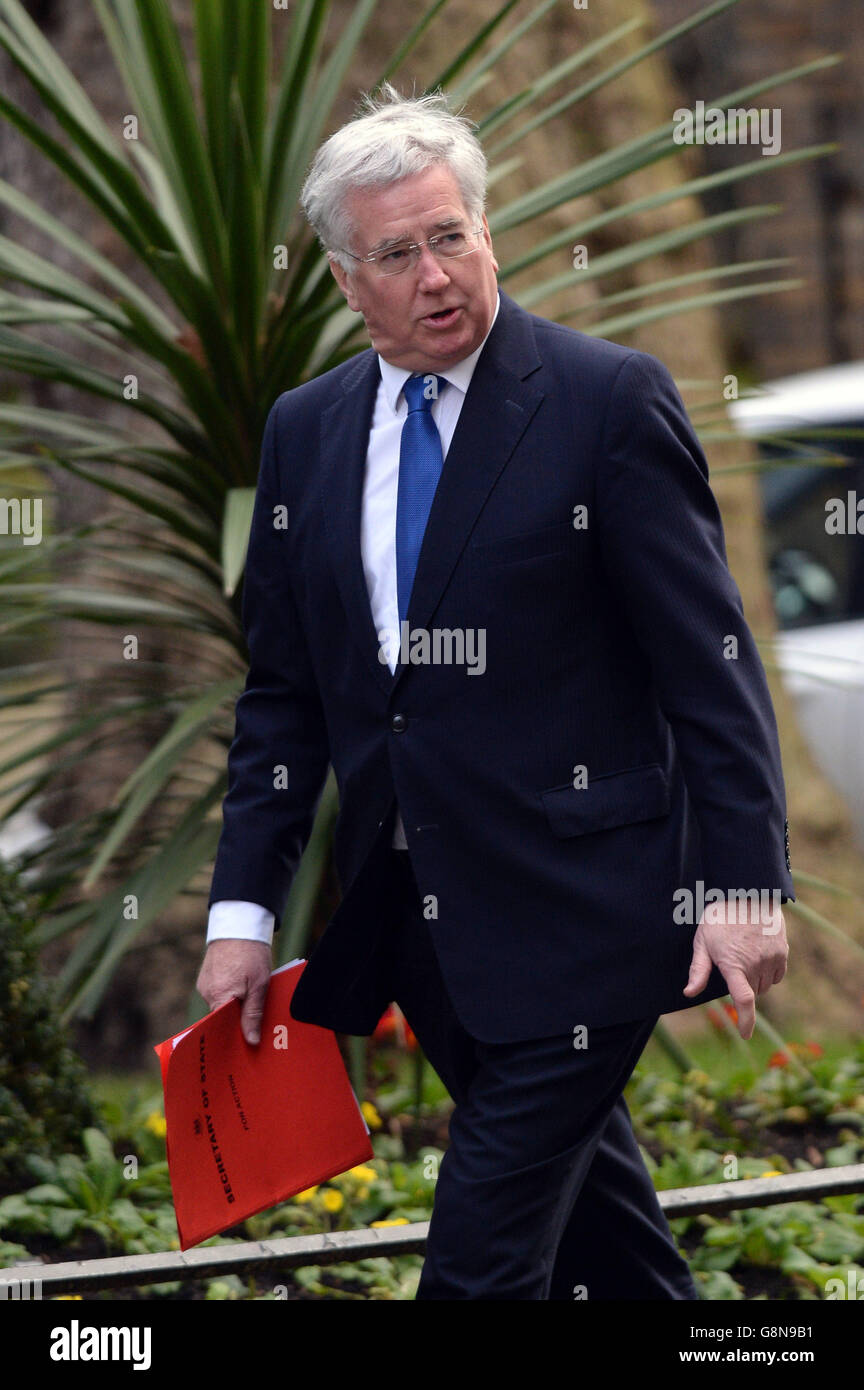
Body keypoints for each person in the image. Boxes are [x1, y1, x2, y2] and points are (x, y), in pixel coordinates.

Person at [197, 85, 794, 1300]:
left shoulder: (604, 400)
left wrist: (742, 882)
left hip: (593, 914)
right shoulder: (305, 434)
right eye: (398, 253)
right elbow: (286, 694)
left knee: (477, 1266)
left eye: (451, 235)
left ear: (490, 231)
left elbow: (708, 662)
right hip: (431, 928)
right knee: (608, 1249)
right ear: (343, 280)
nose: (435, 274)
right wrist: (241, 916)